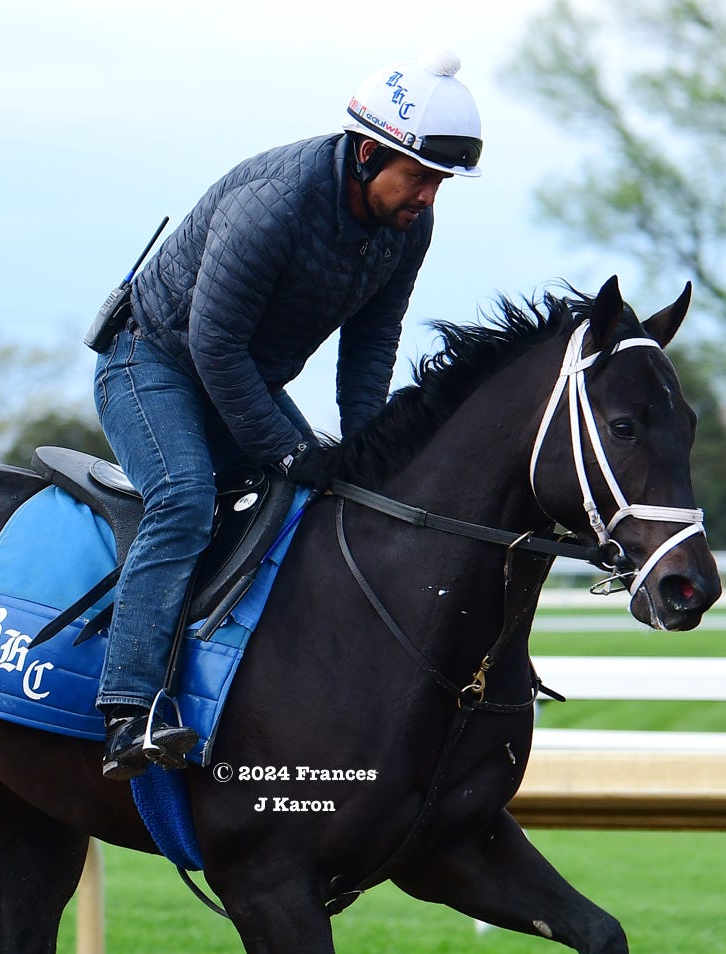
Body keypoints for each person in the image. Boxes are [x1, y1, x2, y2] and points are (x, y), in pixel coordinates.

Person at [90, 50, 484, 779]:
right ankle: (127, 711)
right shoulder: (272, 204)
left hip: (238, 376)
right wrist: (285, 449)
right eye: (422, 177)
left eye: (442, 183)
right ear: (370, 153)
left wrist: (369, 455)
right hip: (153, 364)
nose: (429, 197)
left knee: (335, 503)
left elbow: (371, 345)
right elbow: (212, 343)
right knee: (184, 498)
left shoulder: (406, 227)